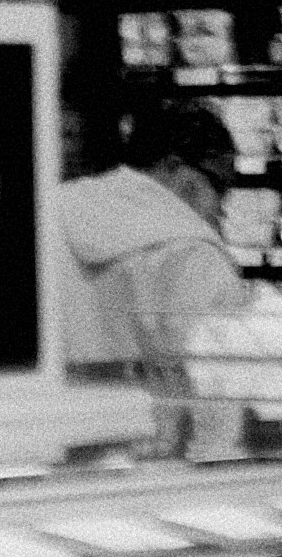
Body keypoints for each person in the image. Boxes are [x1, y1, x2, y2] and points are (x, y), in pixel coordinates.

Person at [53, 92, 251, 364]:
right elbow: (216, 373)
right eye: (218, 185)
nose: (221, 209)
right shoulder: (193, 253)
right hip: (145, 405)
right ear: (174, 167)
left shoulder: (52, 211)